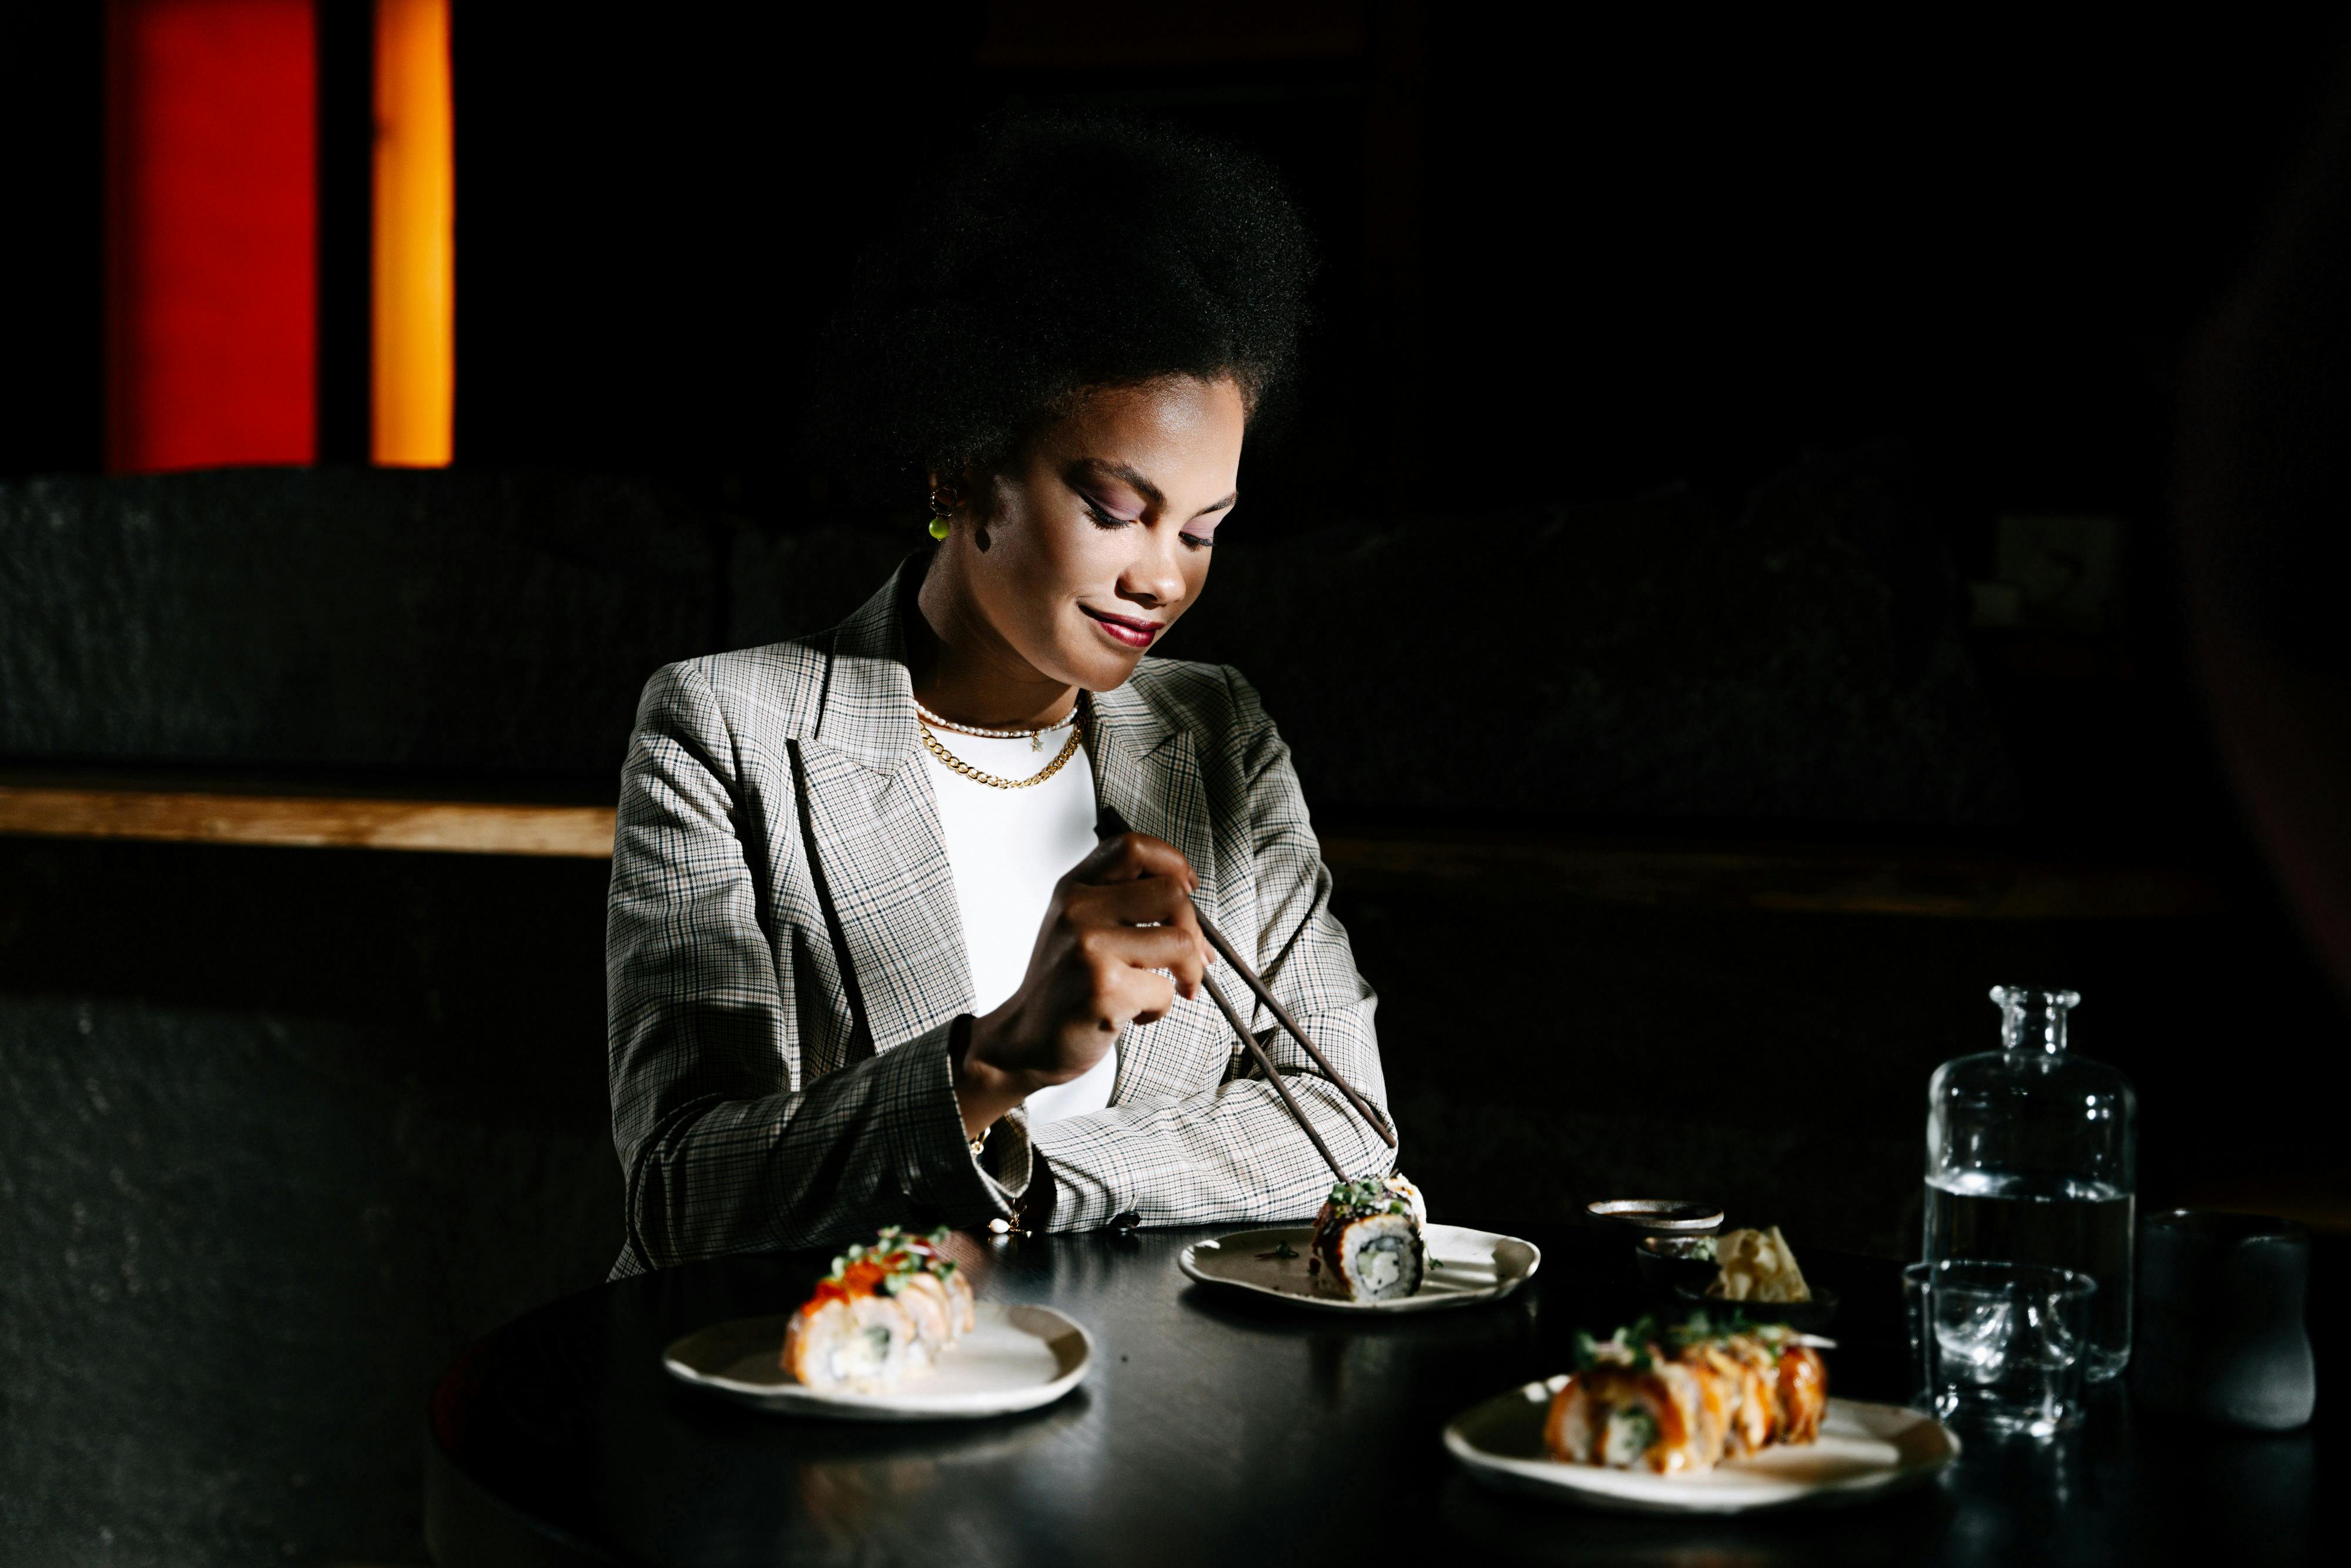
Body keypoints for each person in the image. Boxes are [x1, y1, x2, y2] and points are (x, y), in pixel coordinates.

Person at [604, 116, 1395, 1275]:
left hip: (1150, 1411)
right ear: (964, 467)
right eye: (1116, 508)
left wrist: (1024, 1175)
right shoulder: (729, 730)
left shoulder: (1215, 735)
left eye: (1201, 529)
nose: (1160, 575)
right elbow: (683, 1195)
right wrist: (995, 1063)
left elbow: (1345, 1141)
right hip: (828, 1407)